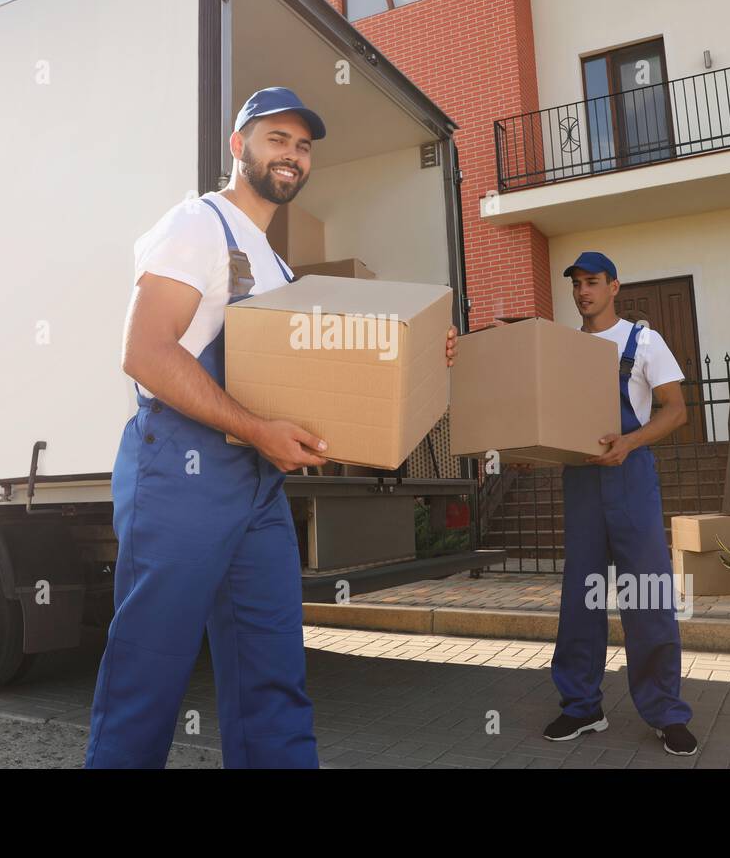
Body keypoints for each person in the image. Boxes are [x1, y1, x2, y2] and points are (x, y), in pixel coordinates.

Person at [84, 87, 459, 768]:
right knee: (150, 674)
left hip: (256, 488)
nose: (291, 154)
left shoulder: (279, 268)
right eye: (276, 139)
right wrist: (256, 429)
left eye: (303, 145)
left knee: (273, 674)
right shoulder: (195, 225)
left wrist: (425, 353)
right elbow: (144, 352)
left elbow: (318, 375)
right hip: (181, 473)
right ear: (239, 147)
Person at [543, 251, 698, 756]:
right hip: (583, 479)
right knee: (580, 598)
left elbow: (676, 411)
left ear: (614, 286)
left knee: (647, 595)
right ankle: (581, 707)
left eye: (592, 282)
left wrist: (630, 443)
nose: (582, 292)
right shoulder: (562, 347)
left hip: (630, 476)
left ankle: (665, 712)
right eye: (576, 284)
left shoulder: (644, 340)